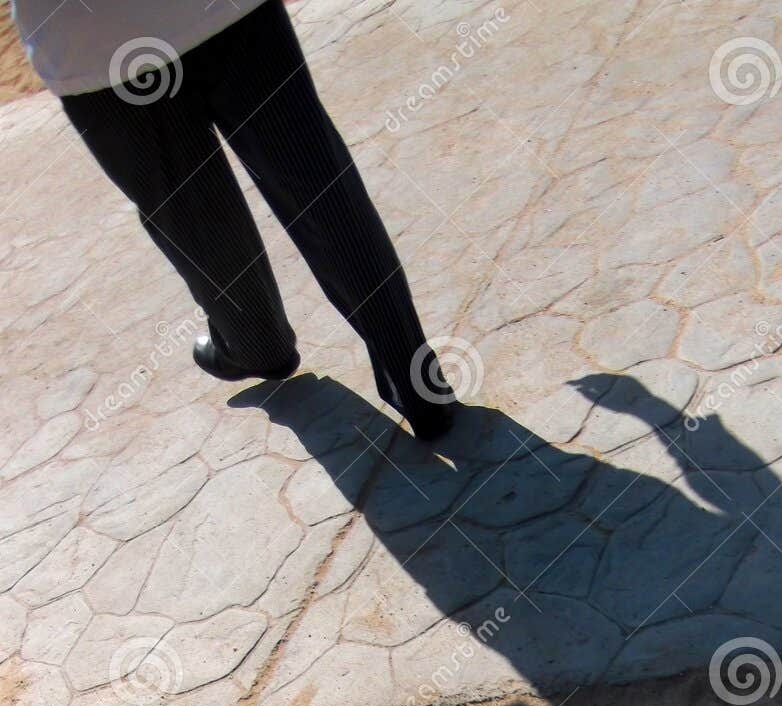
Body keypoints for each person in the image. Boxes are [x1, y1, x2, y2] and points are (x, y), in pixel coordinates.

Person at [11, 0, 457, 439]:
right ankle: (414, 378)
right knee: (315, 182)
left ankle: (256, 343)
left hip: (93, 45)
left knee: (191, 211)